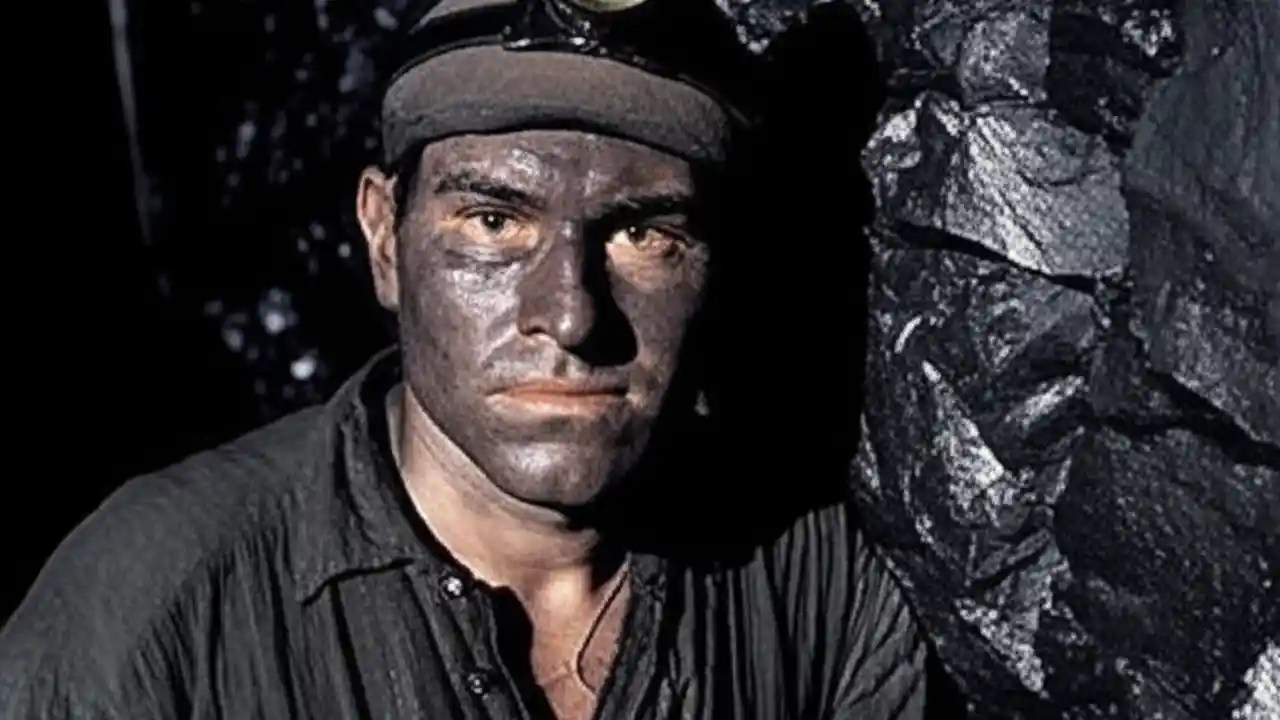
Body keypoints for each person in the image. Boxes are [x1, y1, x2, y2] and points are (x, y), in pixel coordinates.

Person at [0, 0, 926, 717]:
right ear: (385, 239)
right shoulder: (153, 611)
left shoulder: (817, 581)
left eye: (642, 234)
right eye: (493, 223)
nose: (570, 315)